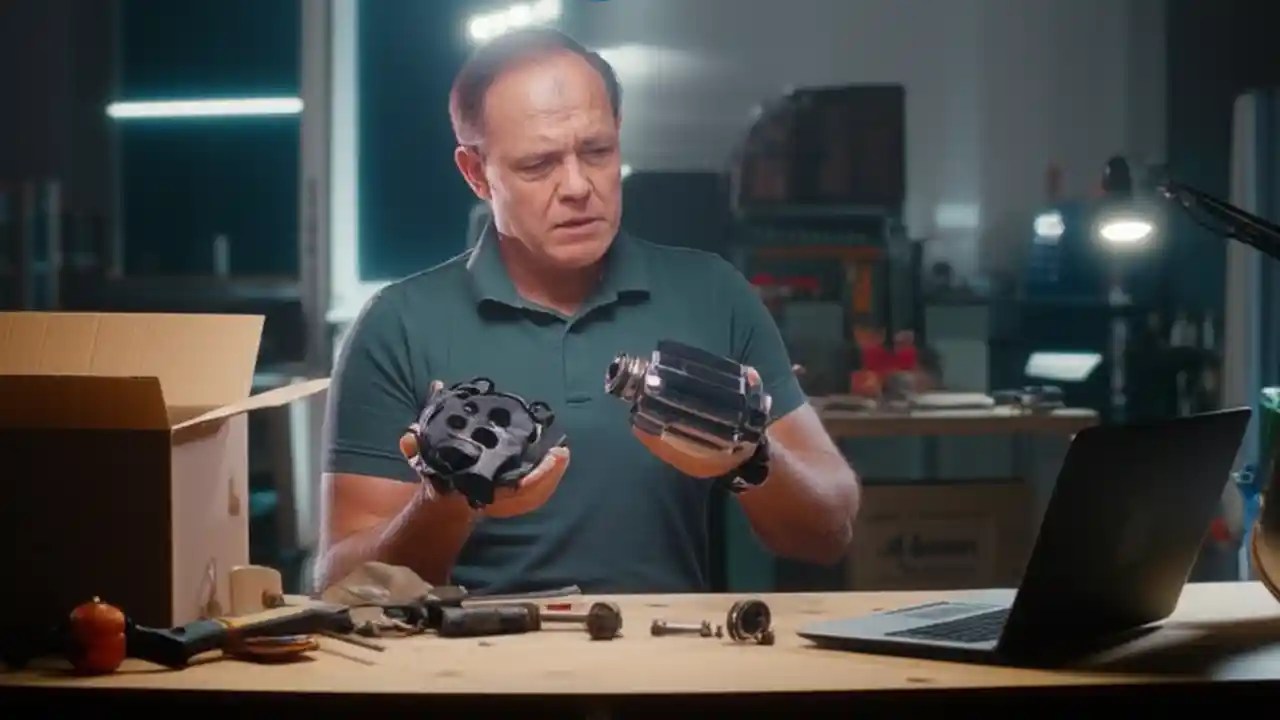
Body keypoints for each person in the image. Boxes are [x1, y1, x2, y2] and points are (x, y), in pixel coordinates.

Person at [314, 27, 861, 595]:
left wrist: (752, 459)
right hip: (471, 671)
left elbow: (829, 532)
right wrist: (447, 499)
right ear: (476, 174)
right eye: (538, 164)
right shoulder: (397, 325)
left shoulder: (712, 294)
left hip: (666, 666)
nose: (577, 186)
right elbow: (339, 585)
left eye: (596, 152)